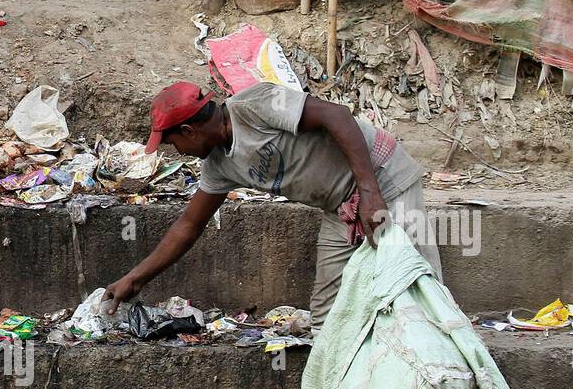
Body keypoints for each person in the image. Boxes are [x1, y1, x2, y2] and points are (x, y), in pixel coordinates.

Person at [103, 81, 441, 325]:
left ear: (189, 130)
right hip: (340, 206)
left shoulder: (254, 105)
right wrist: (135, 279)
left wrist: (370, 192)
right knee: (327, 317)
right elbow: (188, 226)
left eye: (173, 143)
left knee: (417, 296)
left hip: (383, 179)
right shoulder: (218, 165)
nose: (177, 153)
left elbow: (336, 115)